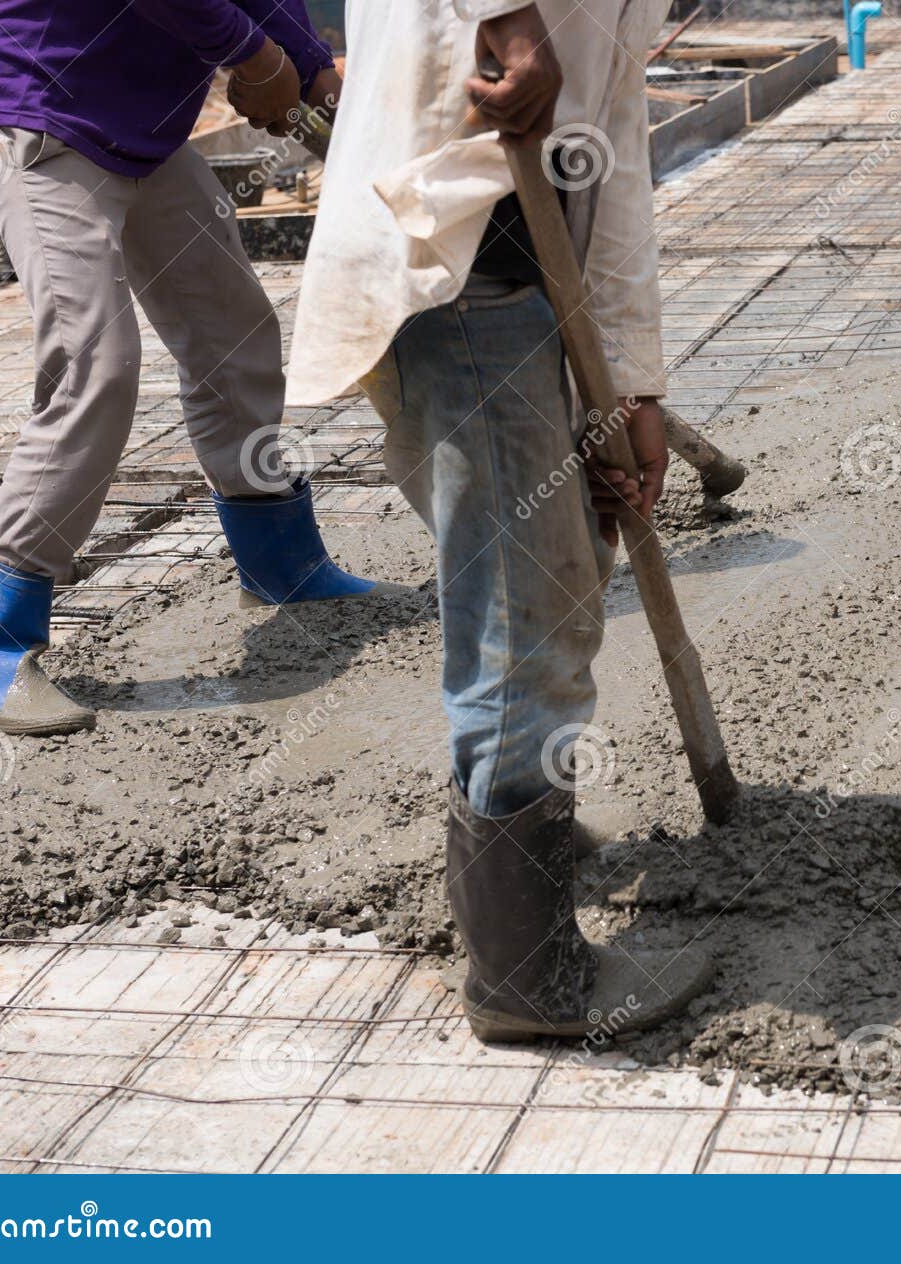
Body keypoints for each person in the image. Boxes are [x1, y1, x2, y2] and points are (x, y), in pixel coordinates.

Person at [288, 0, 713, 1042]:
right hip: (459, 269)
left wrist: (634, 388)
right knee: (526, 618)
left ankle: (523, 849)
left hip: (531, 268)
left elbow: (608, 150)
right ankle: (525, 971)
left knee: (554, 583)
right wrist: (514, 19)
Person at [0, 1, 398, 737]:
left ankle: (280, 567)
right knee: (97, 365)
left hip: (141, 127)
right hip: (36, 111)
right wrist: (257, 57)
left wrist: (308, 67)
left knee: (233, 331)